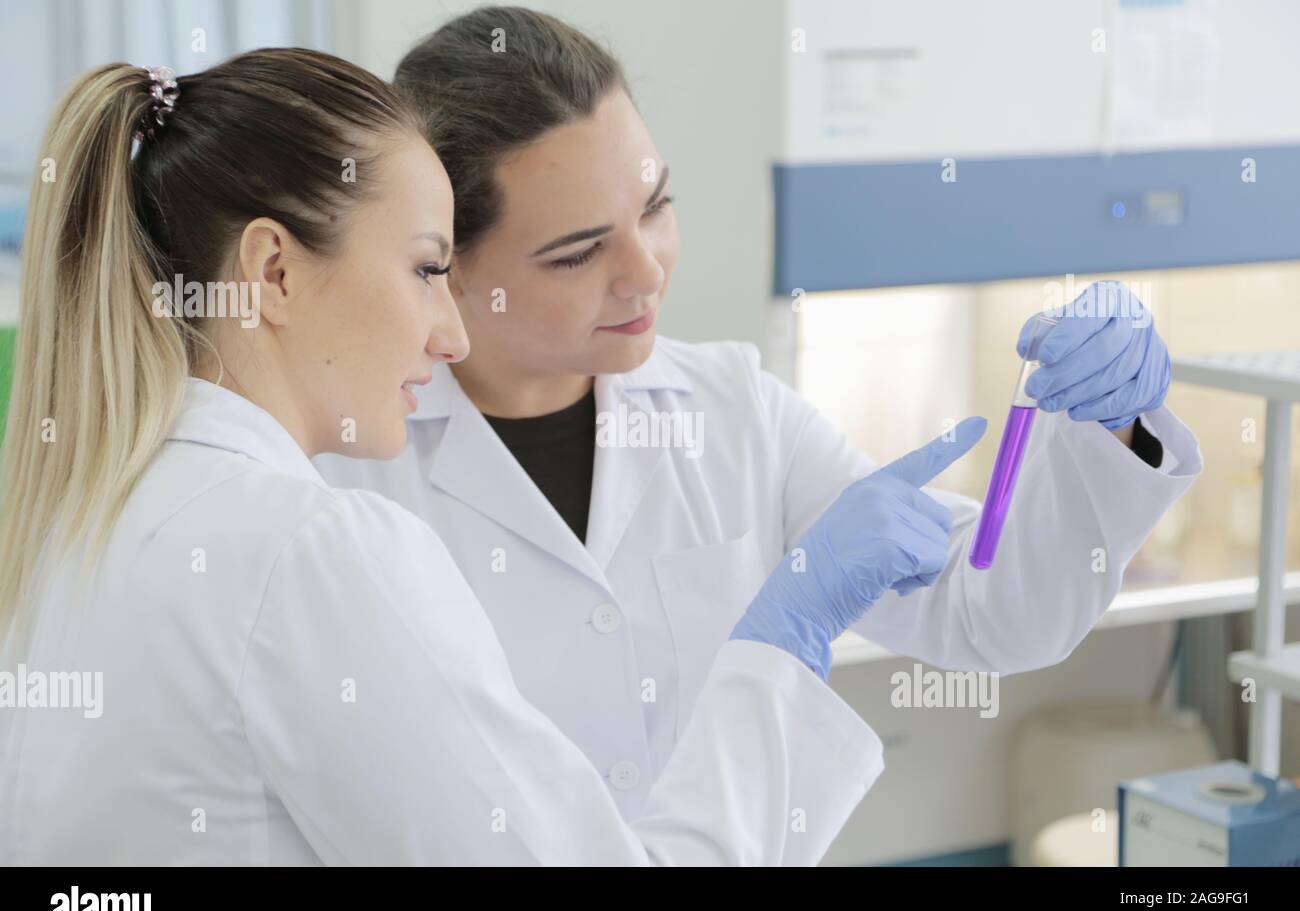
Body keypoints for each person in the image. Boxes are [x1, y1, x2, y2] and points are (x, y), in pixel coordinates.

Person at [0, 50, 974, 865]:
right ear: (275, 271)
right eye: (427, 269)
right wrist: (782, 644)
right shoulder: (308, 549)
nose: (451, 333)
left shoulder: (92, 511)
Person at [315, 6, 1204, 819]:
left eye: (655, 207)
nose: (647, 270)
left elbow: (998, 612)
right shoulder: (343, 467)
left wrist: (1114, 422)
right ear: (449, 263)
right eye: (580, 253)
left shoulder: (733, 410)